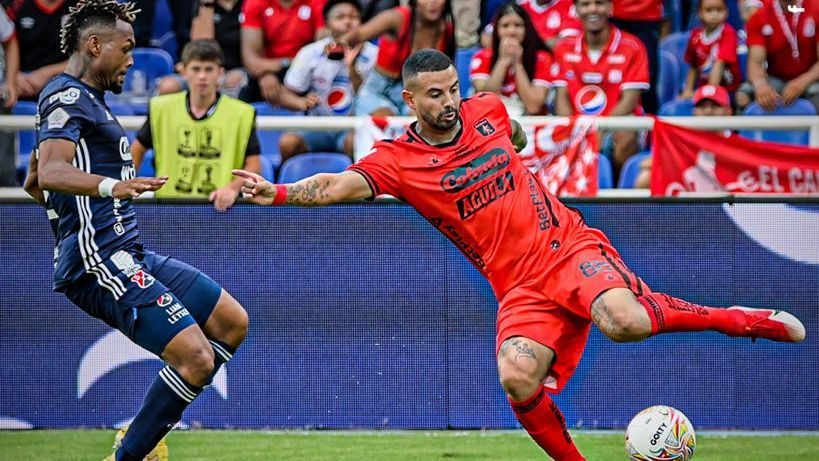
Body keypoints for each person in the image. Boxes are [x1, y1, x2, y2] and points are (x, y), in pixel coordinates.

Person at [234, 49, 805, 461]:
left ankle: (744, 321)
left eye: (454, 88)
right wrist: (278, 191)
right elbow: (334, 187)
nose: (450, 101)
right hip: (519, 288)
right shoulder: (397, 160)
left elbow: (520, 139)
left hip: (567, 245)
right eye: (435, 94)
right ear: (409, 99)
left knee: (624, 321)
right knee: (516, 376)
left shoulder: (488, 110)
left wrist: (511, 147)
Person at [24, 2, 249, 460]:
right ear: (94, 45)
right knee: (197, 359)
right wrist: (108, 194)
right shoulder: (65, 95)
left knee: (231, 322)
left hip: (128, 252)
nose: (132, 58)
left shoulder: (88, 103)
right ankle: (132, 453)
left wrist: (68, 222)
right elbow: (50, 172)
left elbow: (32, 180)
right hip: (101, 258)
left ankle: (142, 438)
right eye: (125, 49)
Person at [131, 39, 262, 212]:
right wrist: (128, 185)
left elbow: (254, 166)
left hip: (219, 209)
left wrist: (232, 188)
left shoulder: (241, 113)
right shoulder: (161, 108)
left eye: (209, 69)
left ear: (220, 73)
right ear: (183, 70)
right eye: (196, 69)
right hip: (168, 209)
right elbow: (137, 150)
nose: (202, 76)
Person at [552, 0, 650, 172]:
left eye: (599, 3)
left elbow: (630, 101)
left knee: (625, 136)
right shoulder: (563, 48)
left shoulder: (633, 46)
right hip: (578, 126)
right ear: (575, 9)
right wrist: (574, 132)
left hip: (616, 123)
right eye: (585, 4)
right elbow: (562, 97)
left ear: (611, 8)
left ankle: (618, 195)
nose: (593, 9)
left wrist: (601, 129)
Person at [278, 0, 378, 161]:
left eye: (354, 17)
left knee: (357, 144)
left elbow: (371, 98)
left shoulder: (374, 55)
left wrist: (352, 69)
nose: (348, 22)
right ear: (326, 24)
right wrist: (301, 102)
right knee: (288, 143)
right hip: (316, 126)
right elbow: (285, 93)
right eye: (340, 17)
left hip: (351, 127)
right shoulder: (310, 52)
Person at [340, 0, 455, 116]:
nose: (433, 2)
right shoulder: (398, 17)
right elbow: (357, 35)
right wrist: (336, 46)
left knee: (418, 121)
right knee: (386, 118)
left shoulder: (448, 30)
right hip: (378, 89)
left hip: (414, 90)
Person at [634, 85, 733, 188]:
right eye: (702, 106)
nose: (708, 111)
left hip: (727, 199)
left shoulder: (740, 145)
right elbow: (645, 163)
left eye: (715, 106)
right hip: (693, 193)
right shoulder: (685, 140)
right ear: (695, 112)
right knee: (646, 177)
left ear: (728, 111)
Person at [470, 1, 553, 116]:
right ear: (496, 30)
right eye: (505, 26)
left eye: (518, 25)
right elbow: (485, 103)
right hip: (494, 123)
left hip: (531, 124)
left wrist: (518, 64)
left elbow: (533, 107)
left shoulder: (543, 58)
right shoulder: (482, 57)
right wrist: (503, 61)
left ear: (527, 29)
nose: (511, 31)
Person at [155, 0, 250, 97]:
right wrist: (207, 4)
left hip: (236, 69)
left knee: (233, 80)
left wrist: (218, 73)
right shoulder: (202, 4)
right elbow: (202, 49)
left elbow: (251, 55)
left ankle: (222, 111)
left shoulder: (250, 4)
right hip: (204, 65)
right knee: (168, 86)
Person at [737, 0, 819, 111]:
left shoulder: (815, 8)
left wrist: (802, 82)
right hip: (775, 78)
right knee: (743, 95)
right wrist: (760, 85)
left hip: (812, 77)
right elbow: (755, 63)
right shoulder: (760, 16)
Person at [239, 0, 323, 105]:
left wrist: (288, 64)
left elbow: (321, 53)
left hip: (306, 72)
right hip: (266, 72)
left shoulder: (318, 3)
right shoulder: (255, 2)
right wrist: (265, 74)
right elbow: (250, 59)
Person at [6, 0, 74, 101]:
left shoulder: (80, 7)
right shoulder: (14, 5)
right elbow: (6, 43)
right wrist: (12, 77)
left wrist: (48, 73)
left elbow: (89, 56)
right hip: (20, 89)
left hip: (67, 87)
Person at [680, 0, 742, 100]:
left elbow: (719, 64)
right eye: (709, 10)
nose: (714, 14)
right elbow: (693, 66)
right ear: (699, 13)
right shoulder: (695, 35)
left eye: (719, 10)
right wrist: (688, 90)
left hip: (728, 90)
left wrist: (710, 94)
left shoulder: (729, 33)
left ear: (727, 11)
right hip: (703, 89)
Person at [480, 0, 581, 50]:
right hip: (517, 63)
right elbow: (486, 37)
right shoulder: (521, 5)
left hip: (552, 69)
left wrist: (520, 45)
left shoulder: (568, 5)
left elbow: (566, 45)